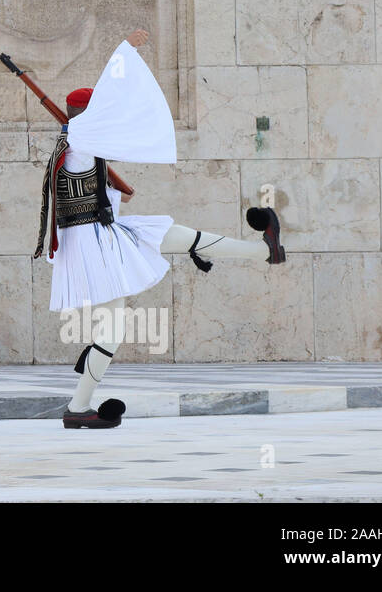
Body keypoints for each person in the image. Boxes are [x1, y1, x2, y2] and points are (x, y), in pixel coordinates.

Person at [36, 29, 285, 429]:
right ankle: (78, 407)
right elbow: (112, 96)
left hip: (100, 235)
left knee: (175, 235)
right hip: (95, 245)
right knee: (112, 330)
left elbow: (86, 188)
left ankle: (265, 251)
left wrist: (114, 193)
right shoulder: (80, 141)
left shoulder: (75, 143)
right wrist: (127, 49)